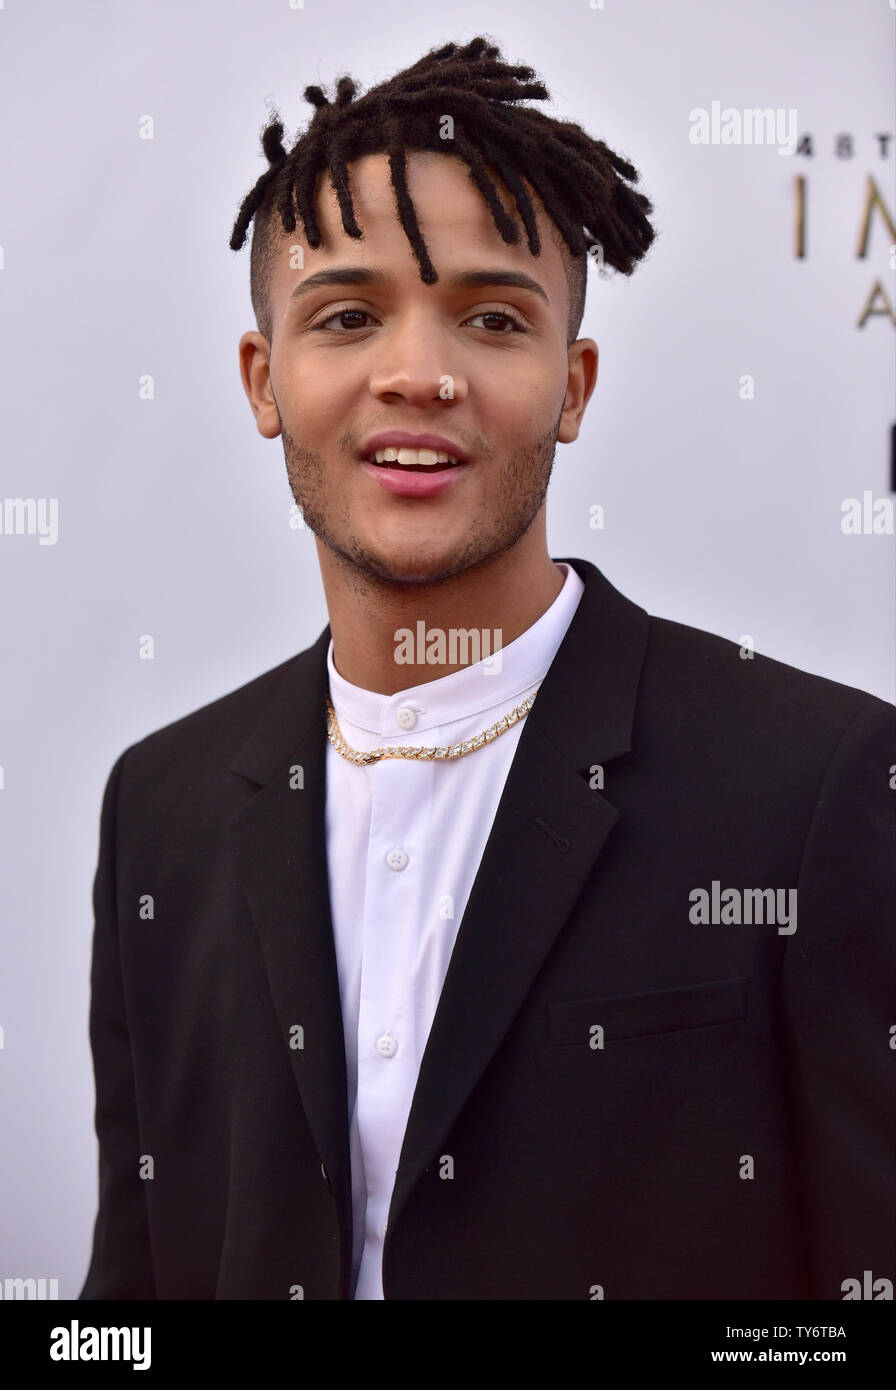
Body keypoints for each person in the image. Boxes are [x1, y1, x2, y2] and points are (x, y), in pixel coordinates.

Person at [79, 36, 894, 1301]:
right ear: (264, 381)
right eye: (346, 315)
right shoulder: (161, 807)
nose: (419, 374)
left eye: (491, 318)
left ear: (570, 387)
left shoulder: (814, 785)